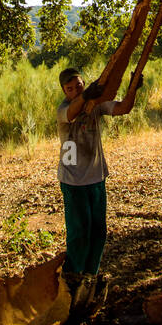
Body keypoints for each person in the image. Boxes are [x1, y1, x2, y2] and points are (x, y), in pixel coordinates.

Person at [56, 66, 140, 308]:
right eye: (70, 89)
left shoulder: (96, 106)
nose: (75, 91)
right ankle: (71, 282)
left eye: (79, 86)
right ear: (64, 91)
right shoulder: (64, 110)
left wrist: (133, 86)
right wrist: (85, 95)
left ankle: (90, 279)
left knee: (99, 232)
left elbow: (123, 108)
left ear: (85, 84)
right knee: (79, 233)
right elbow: (72, 112)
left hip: (96, 177)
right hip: (73, 181)